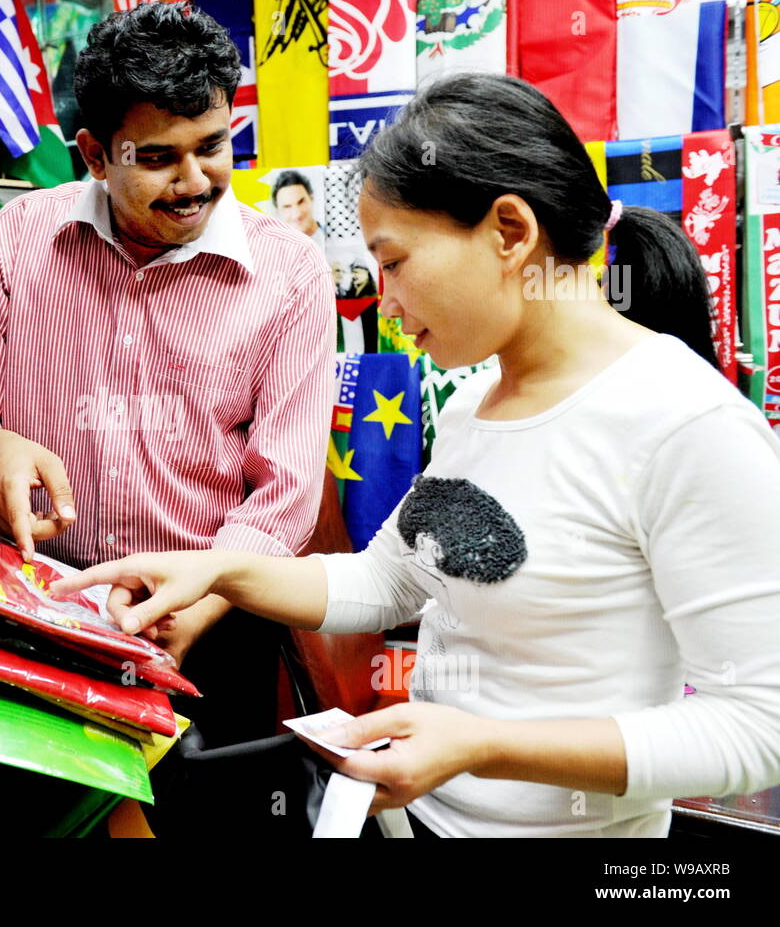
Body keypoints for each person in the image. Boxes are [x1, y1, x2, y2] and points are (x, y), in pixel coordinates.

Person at [53, 73, 780, 837]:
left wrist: (484, 745)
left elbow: (760, 729)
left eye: (394, 262)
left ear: (509, 232)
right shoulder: (475, 403)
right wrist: (216, 568)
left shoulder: (686, 426)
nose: (386, 302)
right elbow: (389, 578)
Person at [0, 2, 334, 770]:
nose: (194, 180)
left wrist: (197, 600)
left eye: (213, 146)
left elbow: (286, 493)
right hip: (41, 616)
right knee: (36, 820)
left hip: (212, 629)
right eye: (157, 158)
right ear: (96, 153)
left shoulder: (290, 272)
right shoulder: (19, 236)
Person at [272, 169, 325, 253]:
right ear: (278, 211)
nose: (297, 214)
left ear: (311, 199)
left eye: (301, 202)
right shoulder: (275, 251)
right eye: (287, 207)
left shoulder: (333, 237)